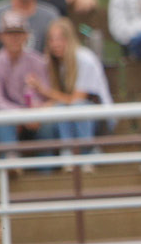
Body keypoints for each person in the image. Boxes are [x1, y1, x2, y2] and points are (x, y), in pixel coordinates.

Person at [28, 17, 112, 163]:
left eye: (60, 38)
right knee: (60, 110)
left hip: (100, 118)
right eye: (51, 39)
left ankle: (87, 154)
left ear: (70, 38)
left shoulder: (84, 59)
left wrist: (44, 91)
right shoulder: (55, 64)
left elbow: (76, 99)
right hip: (71, 115)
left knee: (76, 107)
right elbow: (63, 101)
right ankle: (68, 156)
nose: (56, 44)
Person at [0, 12, 48, 155]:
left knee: (49, 127)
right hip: (10, 116)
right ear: (1, 36)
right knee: (3, 120)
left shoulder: (39, 62)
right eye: (9, 33)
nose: (14, 38)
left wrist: (34, 112)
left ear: (27, 35)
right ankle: (10, 162)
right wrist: (19, 115)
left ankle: (48, 170)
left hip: (36, 116)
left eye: (18, 33)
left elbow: (46, 93)